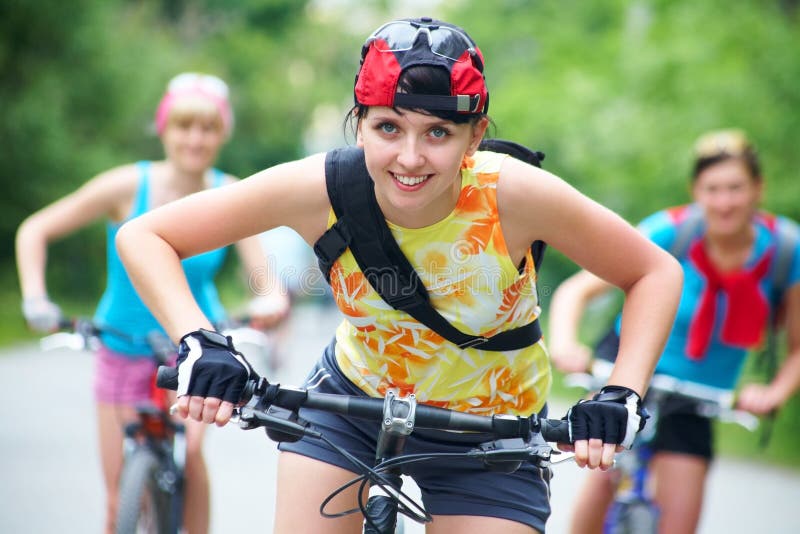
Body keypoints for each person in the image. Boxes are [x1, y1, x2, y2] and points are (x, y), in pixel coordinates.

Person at [115, 18, 683, 534]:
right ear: (359, 125)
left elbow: (654, 271)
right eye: (388, 127)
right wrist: (201, 341)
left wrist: (622, 392)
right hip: (351, 405)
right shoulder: (319, 188)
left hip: (491, 430)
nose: (409, 158)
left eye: (438, 133)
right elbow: (144, 236)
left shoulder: (515, 195)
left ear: (474, 136)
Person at [15, 72, 290, 534]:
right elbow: (34, 230)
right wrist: (35, 296)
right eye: (184, 126)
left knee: (194, 453)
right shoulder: (125, 186)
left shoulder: (231, 192)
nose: (195, 139)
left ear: (222, 133)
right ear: (164, 128)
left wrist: (271, 297)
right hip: (120, 345)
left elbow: (261, 273)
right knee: (117, 500)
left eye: (208, 128)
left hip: (196, 350)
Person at [548, 129, 800, 534]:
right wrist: (566, 345)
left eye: (735, 188)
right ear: (695, 191)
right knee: (600, 477)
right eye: (712, 189)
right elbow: (575, 291)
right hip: (629, 372)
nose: (724, 202)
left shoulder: (785, 249)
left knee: (681, 519)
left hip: (697, 397)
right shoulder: (670, 231)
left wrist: (774, 393)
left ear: (758, 189)